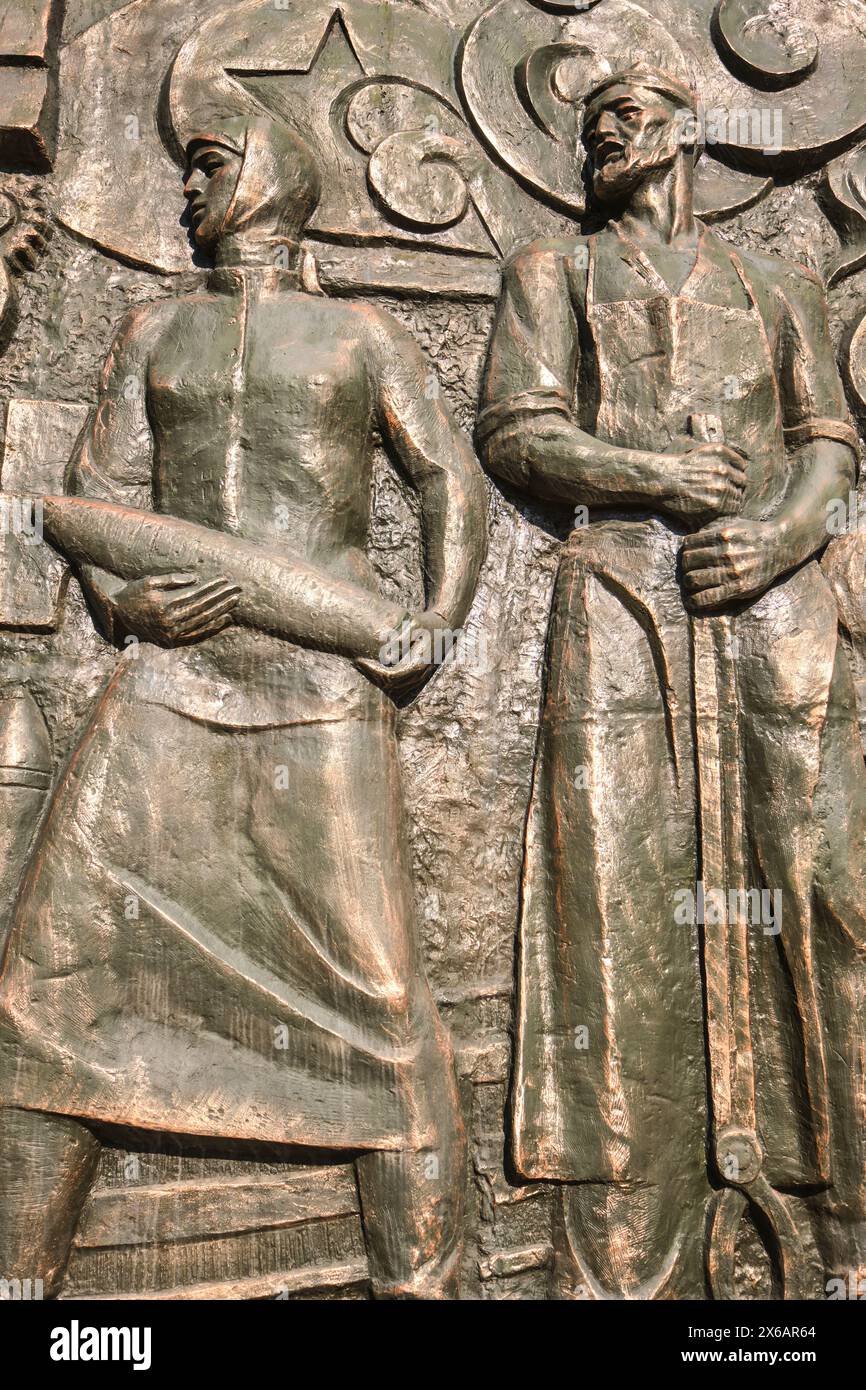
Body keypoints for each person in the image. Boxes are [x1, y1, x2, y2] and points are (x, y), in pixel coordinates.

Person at [0, 114, 486, 1300]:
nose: (186, 193)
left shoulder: (358, 334)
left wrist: (435, 617)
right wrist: (130, 601)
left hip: (317, 694)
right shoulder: (152, 326)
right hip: (166, 689)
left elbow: (446, 478)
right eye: (184, 174)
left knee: (373, 995)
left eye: (208, 169)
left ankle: (422, 1288)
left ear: (272, 174)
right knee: (52, 974)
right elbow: (94, 495)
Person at [479, 68, 865, 1296]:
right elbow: (515, 430)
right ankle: (622, 1254)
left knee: (819, 880)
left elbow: (826, 444)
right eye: (593, 120)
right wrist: (649, 474)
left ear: (689, 131)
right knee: (618, 898)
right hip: (619, 600)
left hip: (773, 609)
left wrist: (780, 535)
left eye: (633, 108)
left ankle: (835, 1222)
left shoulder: (777, 287)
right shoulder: (552, 276)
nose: (607, 129)